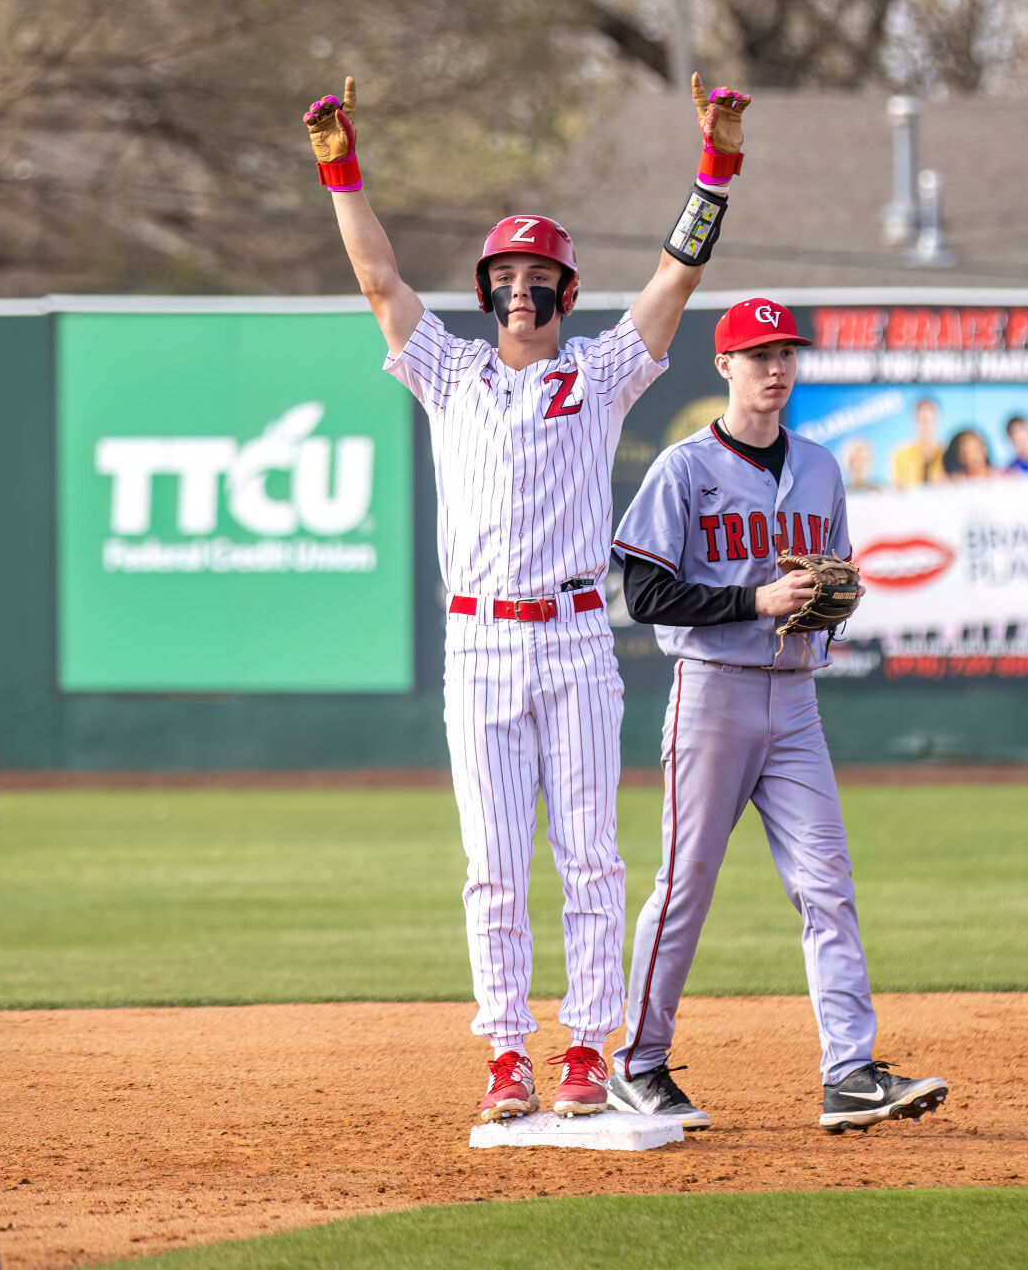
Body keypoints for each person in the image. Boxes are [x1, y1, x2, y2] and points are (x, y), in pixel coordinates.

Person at [303, 73, 752, 1123]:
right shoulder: (449, 372)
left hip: (575, 637)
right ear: (484, 287)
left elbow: (674, 281)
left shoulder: (595, 375)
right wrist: (339, 167)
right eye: (504, 269)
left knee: (589, 853)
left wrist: (714, 168)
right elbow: (376, 280)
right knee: (494, 863)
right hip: (479, 644)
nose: (517, 284)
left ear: (562, 287)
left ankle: (584, 1047)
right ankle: (506, 1050)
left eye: (535, 270)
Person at [606, 297, 948, 1133]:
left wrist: (832, 601)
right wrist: (756, 598)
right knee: (686, 882)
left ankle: (851, 1072)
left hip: (796, 696)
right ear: (724, 366)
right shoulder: (684, 469)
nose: (775, 367)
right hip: (713, 692)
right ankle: (638, 1063)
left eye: (785, 352)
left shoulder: (825, 469)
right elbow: (645, 593)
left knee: (828, 884)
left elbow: (826, 574)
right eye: (757, 354)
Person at [889, 396, 946, 488]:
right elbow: (897, 486)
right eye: (922, 420)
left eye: (930, 420)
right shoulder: (900, 453)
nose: (926, 426)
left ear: (937, 420)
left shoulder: (945, 452)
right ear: (914, 420)